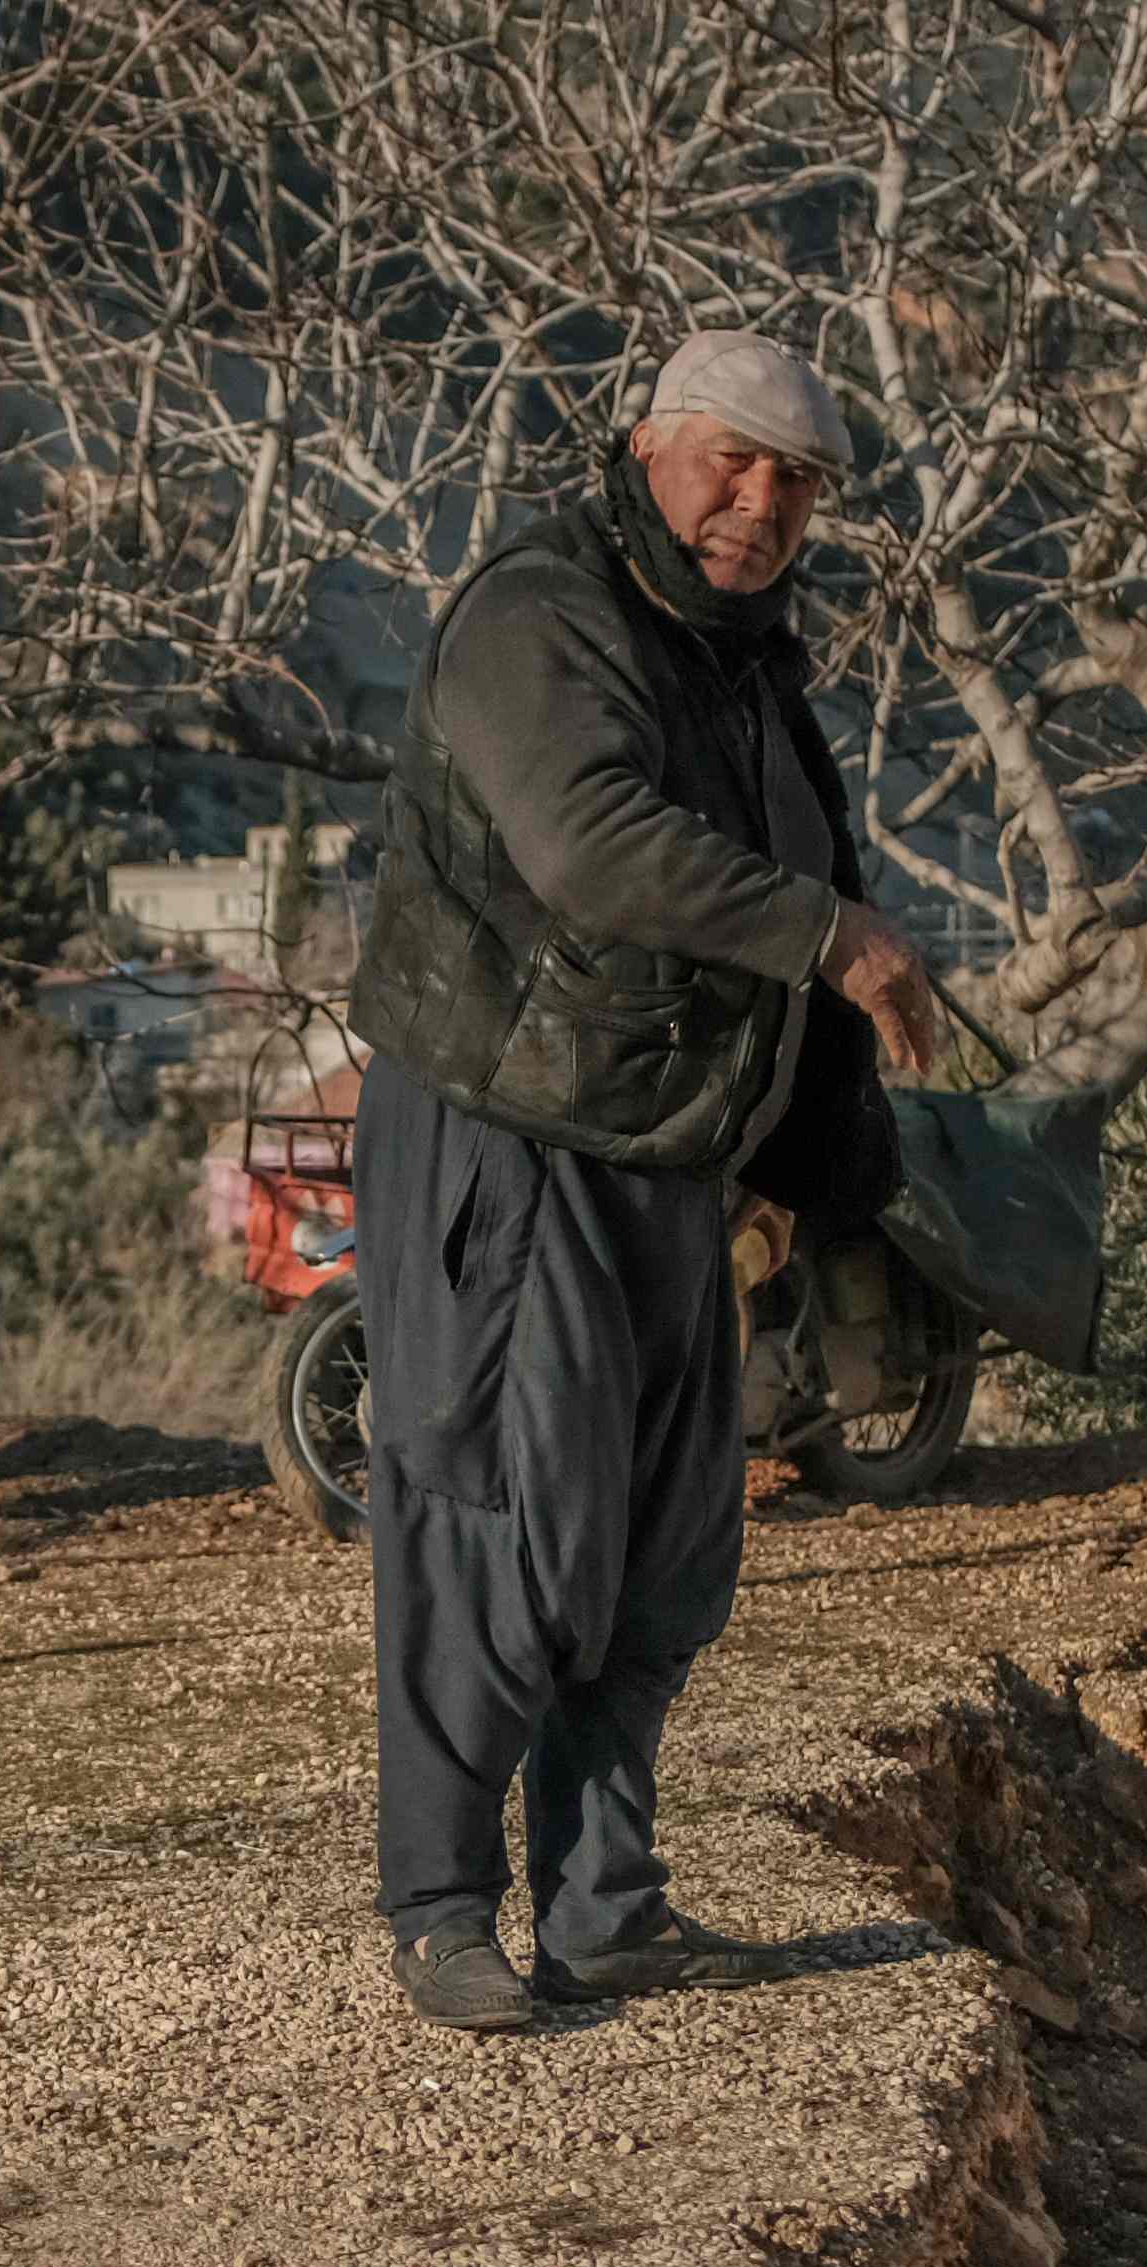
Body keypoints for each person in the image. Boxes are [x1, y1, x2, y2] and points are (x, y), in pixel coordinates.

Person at [339, 330, 951, 2035]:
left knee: (663, 1549)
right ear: (645, 445)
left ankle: (606, 1910)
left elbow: (765, 867)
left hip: (666, 1147)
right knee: (500, 1522)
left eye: (797, 480)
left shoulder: (732, 653)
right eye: (729, 460)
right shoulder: (544, 613)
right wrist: (833, 939)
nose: (760, 501)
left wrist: (784, 1152)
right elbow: (590, 846)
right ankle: (440, 1910)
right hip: (509, 1130)